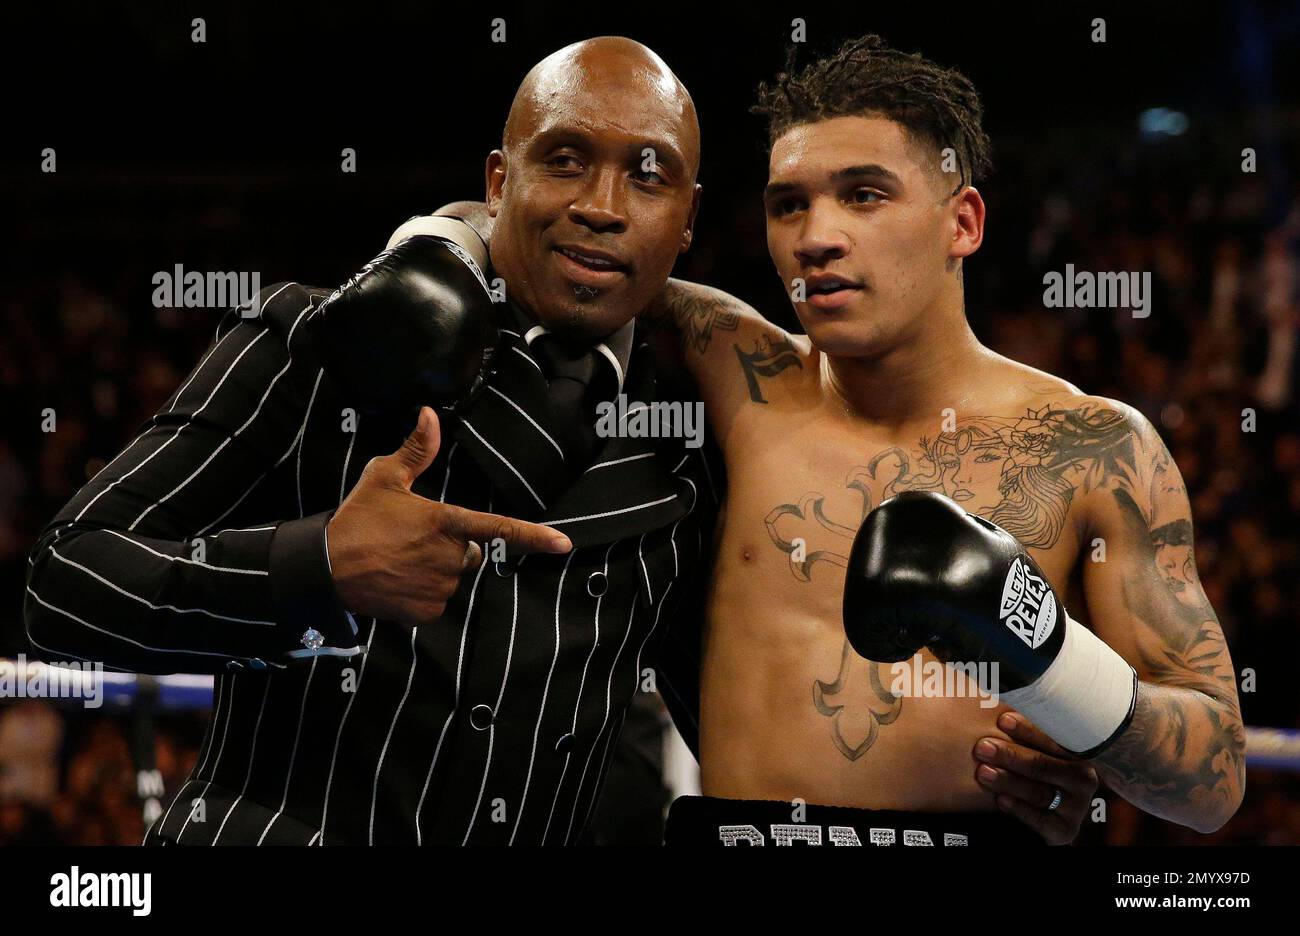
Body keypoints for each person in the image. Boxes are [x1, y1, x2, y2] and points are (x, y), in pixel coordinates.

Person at [24, 36, 715, 845]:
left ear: (689, 218)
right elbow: (64, 579)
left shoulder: (688, 451)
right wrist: (316, 568)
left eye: (648, 173)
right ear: (498, 183)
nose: (604, 203)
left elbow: (742, 741)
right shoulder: (315, 340)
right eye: (564, 159)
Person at [639, 34, 1244, 845]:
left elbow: (1215, 777)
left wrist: (1052, 665)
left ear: (962, 222)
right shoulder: (734, 371)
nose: (815, 236)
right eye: (789, 203)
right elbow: (519, 229)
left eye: (863, 194)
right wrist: (436, 249)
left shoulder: (1090, 448)